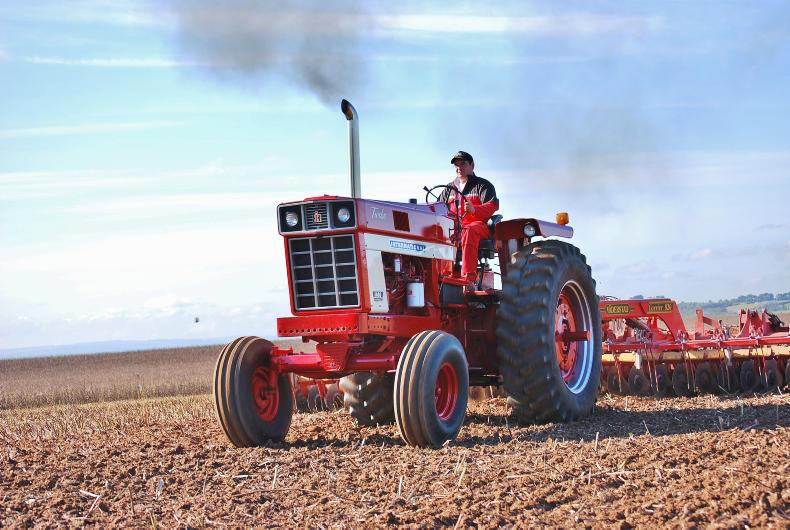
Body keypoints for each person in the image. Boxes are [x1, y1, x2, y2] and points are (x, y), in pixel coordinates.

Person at [438, 151, 499, 289]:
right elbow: (437, 208)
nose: (459, 167)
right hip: (453, 228)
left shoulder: (483, 185)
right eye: (456, 165)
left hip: (478, 226)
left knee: (468, 230)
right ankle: (438, 276)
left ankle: (469, 279)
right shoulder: (448, 189)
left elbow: (492, 206)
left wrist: (475, 209)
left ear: (472, 165)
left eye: (463, 163)